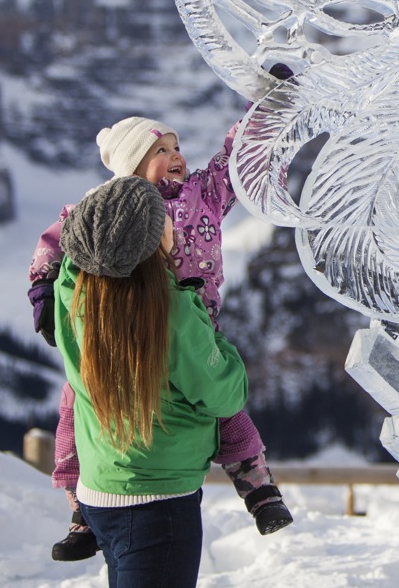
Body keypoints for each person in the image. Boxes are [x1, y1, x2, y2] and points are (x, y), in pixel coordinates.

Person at [29, 111, 291, 562]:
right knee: (77, 409)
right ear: (131, 165)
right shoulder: (104, 205)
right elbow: (56, 240)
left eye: (176, 147)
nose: (176, 156)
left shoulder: (201, 195)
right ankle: (80, 514)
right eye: (161, 150)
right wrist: (42, 292)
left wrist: (267, 110)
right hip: (120, 329)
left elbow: (237, 160)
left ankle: (259, 490)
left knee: (227, 413)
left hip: (192, 322)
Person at [54, 175, 248, 588]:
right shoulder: (173, 315)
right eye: (163, 221)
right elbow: (227, 393)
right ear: (146, 242)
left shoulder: (72, 295)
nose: (173, 226)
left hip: (98, 493)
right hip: (159, 503)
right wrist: (210, 331)